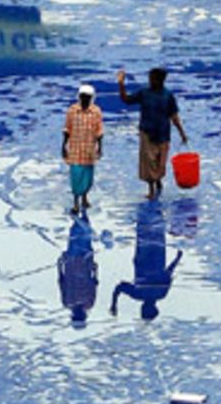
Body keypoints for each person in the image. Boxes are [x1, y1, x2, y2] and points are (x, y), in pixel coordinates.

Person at [116, 66, 187, 200]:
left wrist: (182, 133)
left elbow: (174, 116)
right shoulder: (144, 93)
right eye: (150, 78)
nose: (151, 81)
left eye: (153, 79)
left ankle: (157, 181)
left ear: (160, 80)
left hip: (163, 133)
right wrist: (121, 84)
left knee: (160, 162)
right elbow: (126, 100)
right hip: (147, 132)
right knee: (149, 162)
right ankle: (151, 188)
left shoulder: (168, 96)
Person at [110, 201, 183, 321]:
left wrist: (177, 259)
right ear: (143, 307)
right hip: (142, 256)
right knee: (144, 231)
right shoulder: (138, 294)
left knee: (157, 231)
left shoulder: (161, 294)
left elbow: (168, 273)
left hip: (158, 254)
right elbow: (120, 287)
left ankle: (156, 207)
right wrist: (114, 304)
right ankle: (146, 206)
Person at [62, 83, 103, 216]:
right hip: (75, 149)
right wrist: (64, 146)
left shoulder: (96, 111)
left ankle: (84, 198)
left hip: (89, 150)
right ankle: (75, 203)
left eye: (88, 97)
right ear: (79, 97)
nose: (85, 99)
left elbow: (99, 131)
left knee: (87, 177)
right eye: (83, 96)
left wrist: (100, 148)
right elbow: (67, 129)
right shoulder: (72, 111)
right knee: (76, 176)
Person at [56, 214, 98, 326]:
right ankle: (83, 212)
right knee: (84, 236)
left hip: (73, 262)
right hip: (84, 263)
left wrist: (60, 265)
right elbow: (94, 283)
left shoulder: (68, 302)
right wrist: (95, 269)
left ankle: (78, 213)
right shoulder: (88, 303)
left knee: (76, 235)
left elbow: (62, 282)